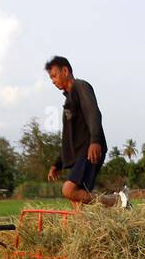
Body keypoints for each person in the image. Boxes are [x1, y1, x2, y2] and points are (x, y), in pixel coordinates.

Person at [43, 56, 124, 207]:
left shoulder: (81, 87)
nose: (52, 81)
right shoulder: (68, 102)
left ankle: (115, 201)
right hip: (78, 155)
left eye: (54, 76)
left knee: (69, 190)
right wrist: (57, 164)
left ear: (65, 71)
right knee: (77, 202)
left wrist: (95, 140)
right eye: (51, 78)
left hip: (88, 151)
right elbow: (68, 139)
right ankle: (106, 216)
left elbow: (93, 112)